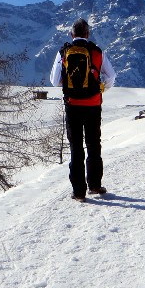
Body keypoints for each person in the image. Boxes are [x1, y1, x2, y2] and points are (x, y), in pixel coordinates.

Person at [50, 18, 117, 202]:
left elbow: (54, 81)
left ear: (72, 34)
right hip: (93, 105)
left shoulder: (64, 52)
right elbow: (111, 76)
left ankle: (78, 191)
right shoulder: (96, 51)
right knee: (94, 144)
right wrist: (101, 88)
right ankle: (95, 185)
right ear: (88, 34)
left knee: (76, 147)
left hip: (73, 106)